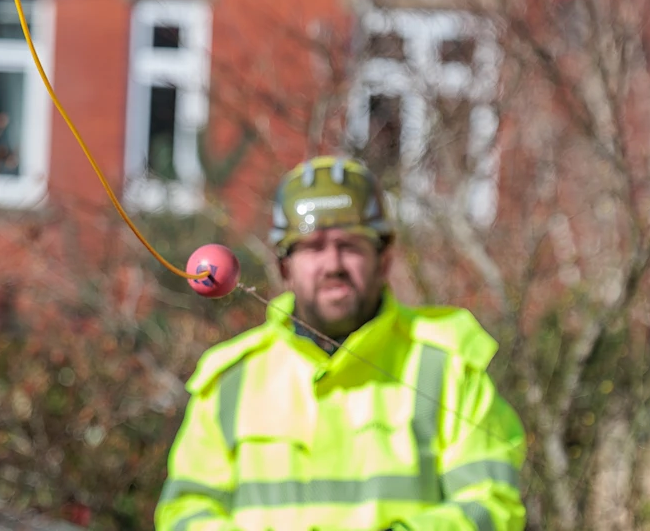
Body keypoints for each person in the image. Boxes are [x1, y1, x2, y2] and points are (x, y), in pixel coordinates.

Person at [155, 155, 526, 531]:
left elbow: (491, 504)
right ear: (285, 267)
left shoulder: (449, 367)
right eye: (313, 247)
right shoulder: (230, 380)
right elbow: (186, 511)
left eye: (349, 245)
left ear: (383, 260)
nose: (333, 264)